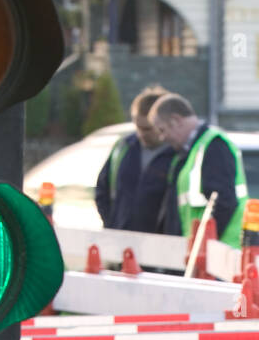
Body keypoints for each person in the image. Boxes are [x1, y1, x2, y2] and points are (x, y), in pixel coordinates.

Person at [149, 93, 248, 247]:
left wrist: (201, 247)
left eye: (162, 130)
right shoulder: (192, 151)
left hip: (219, 255)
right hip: (207, 254)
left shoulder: (213, 145)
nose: (162, 138)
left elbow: (224, 203)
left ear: (175, 120)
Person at [94, 86, 174, 233]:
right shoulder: (124, 147)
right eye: (138, 126)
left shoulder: (177, 155)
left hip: (161, 244)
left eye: (148, 128)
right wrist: (111, 224)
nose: (141, 134)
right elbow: (102, 190)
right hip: (121, 239)